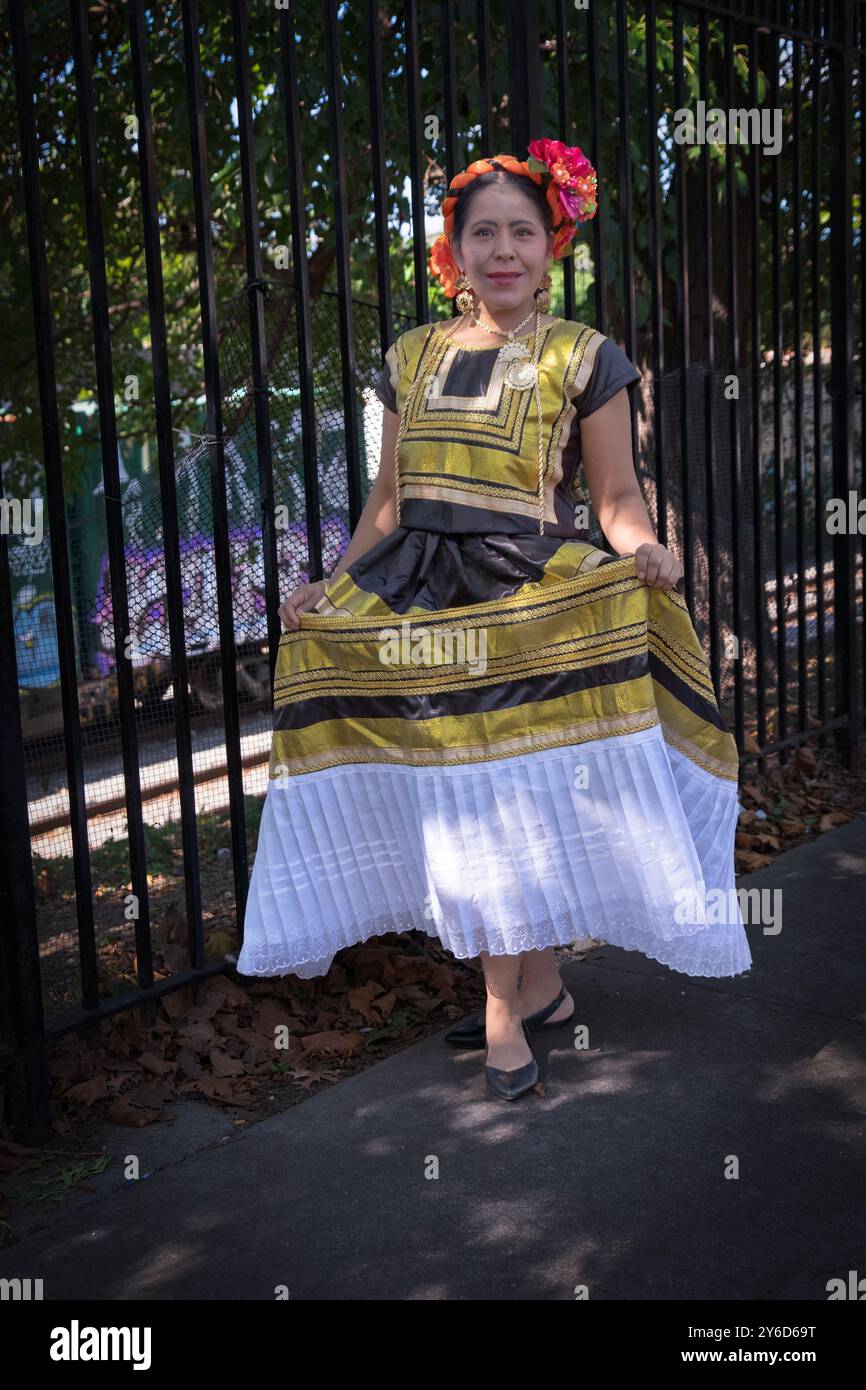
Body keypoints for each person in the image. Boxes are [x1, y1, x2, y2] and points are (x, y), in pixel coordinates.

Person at [236, 140, 752, 1102]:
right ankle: (544, 985)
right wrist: (327, 584)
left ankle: (504, 1013)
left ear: (552, 242)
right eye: (484, 233)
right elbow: (388, 502)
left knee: (520, 788)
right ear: (455, 251)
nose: (503, 249)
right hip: (416, 595)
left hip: (526, 597)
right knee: (471, 797)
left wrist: (646, 549)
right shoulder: (409, 356)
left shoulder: (583, 355)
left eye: (523, 230)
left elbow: (614, 493)